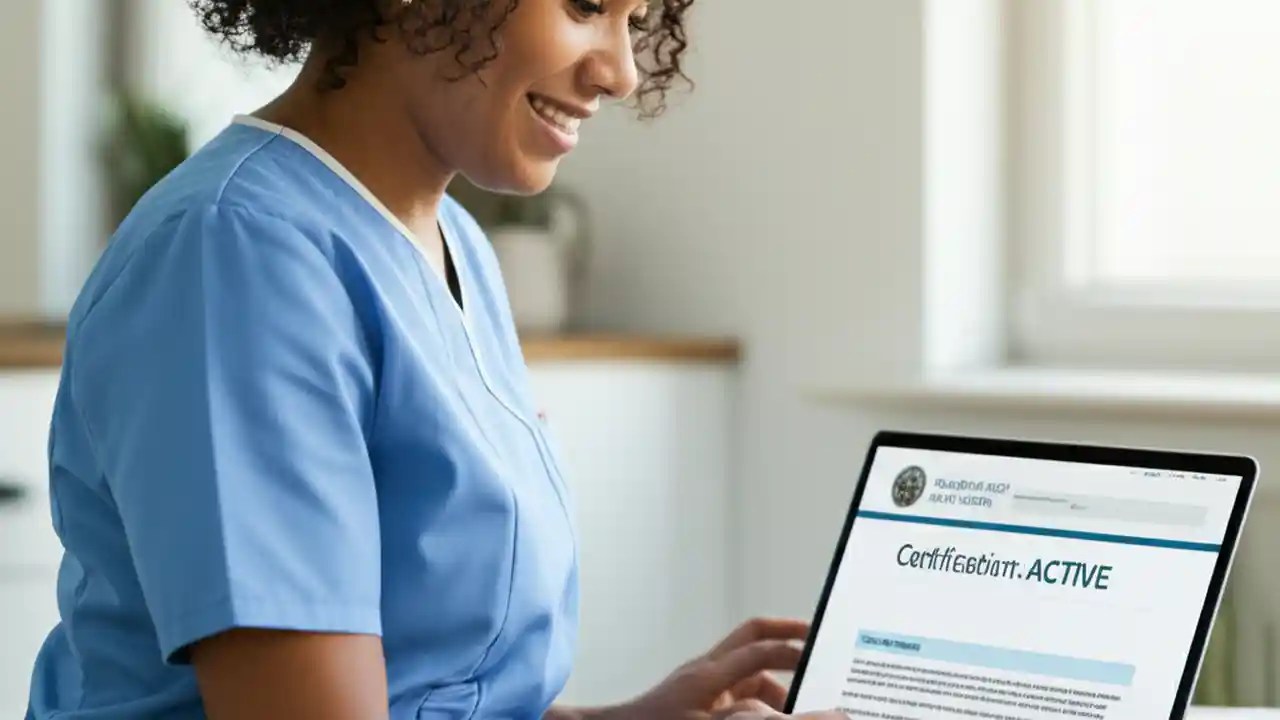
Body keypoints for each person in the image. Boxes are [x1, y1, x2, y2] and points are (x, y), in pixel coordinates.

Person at [25, 0, 845, 718]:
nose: (624, 72)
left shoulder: (456, 245)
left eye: (635, 21)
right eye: (585, 3)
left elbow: (434, 693)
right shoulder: (238, 255)